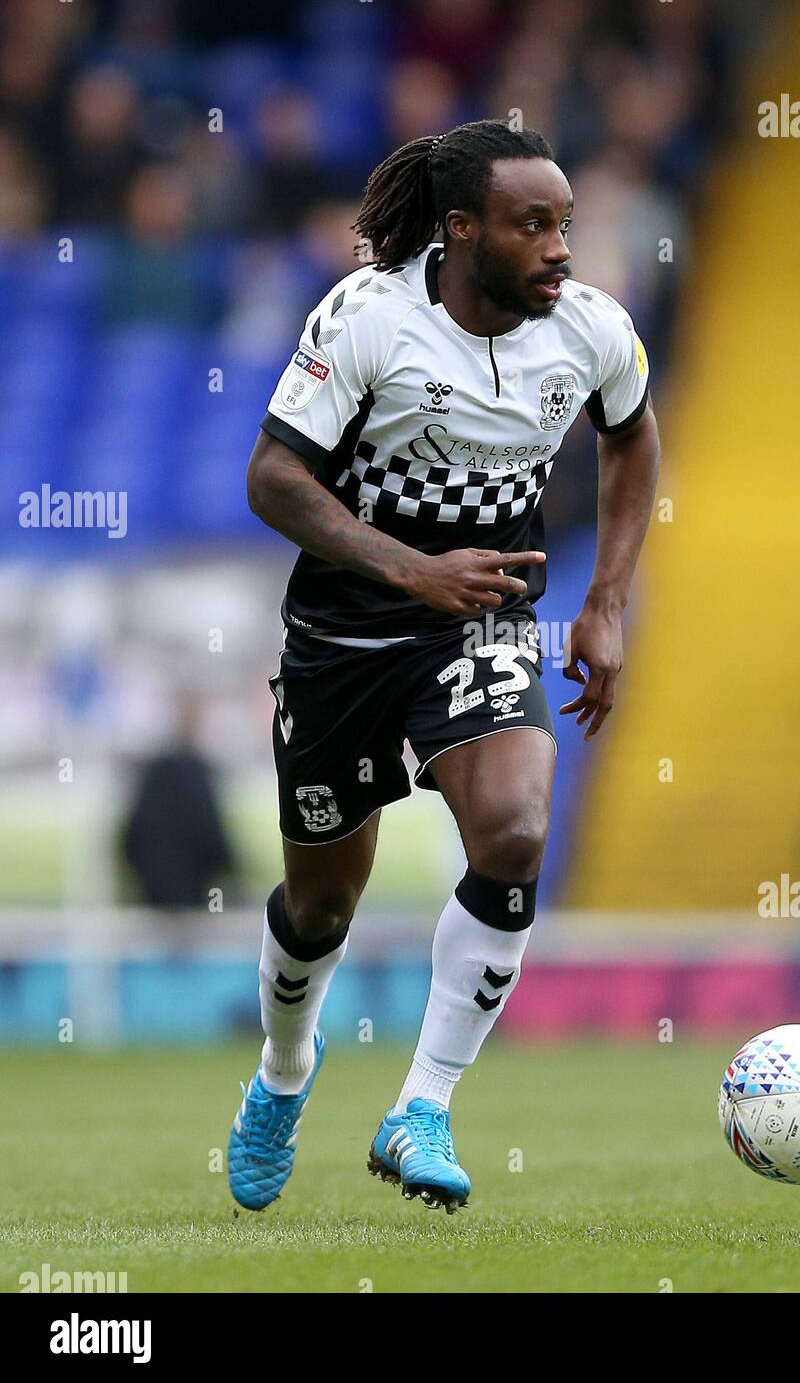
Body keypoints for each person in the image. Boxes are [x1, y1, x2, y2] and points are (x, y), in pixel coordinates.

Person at [229, 120, 660, 1214]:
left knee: (514, 833)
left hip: (484, 623)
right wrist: (413, 572)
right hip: (343, 637)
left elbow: (632, 431)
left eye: (565, 223)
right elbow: (274, 477)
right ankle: (284, 1074)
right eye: (534, 225)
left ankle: (422, 1105)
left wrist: (605, 600)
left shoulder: (593, 330)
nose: (561, 247)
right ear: (462, 230)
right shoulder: (371, 317)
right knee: (322, 903)